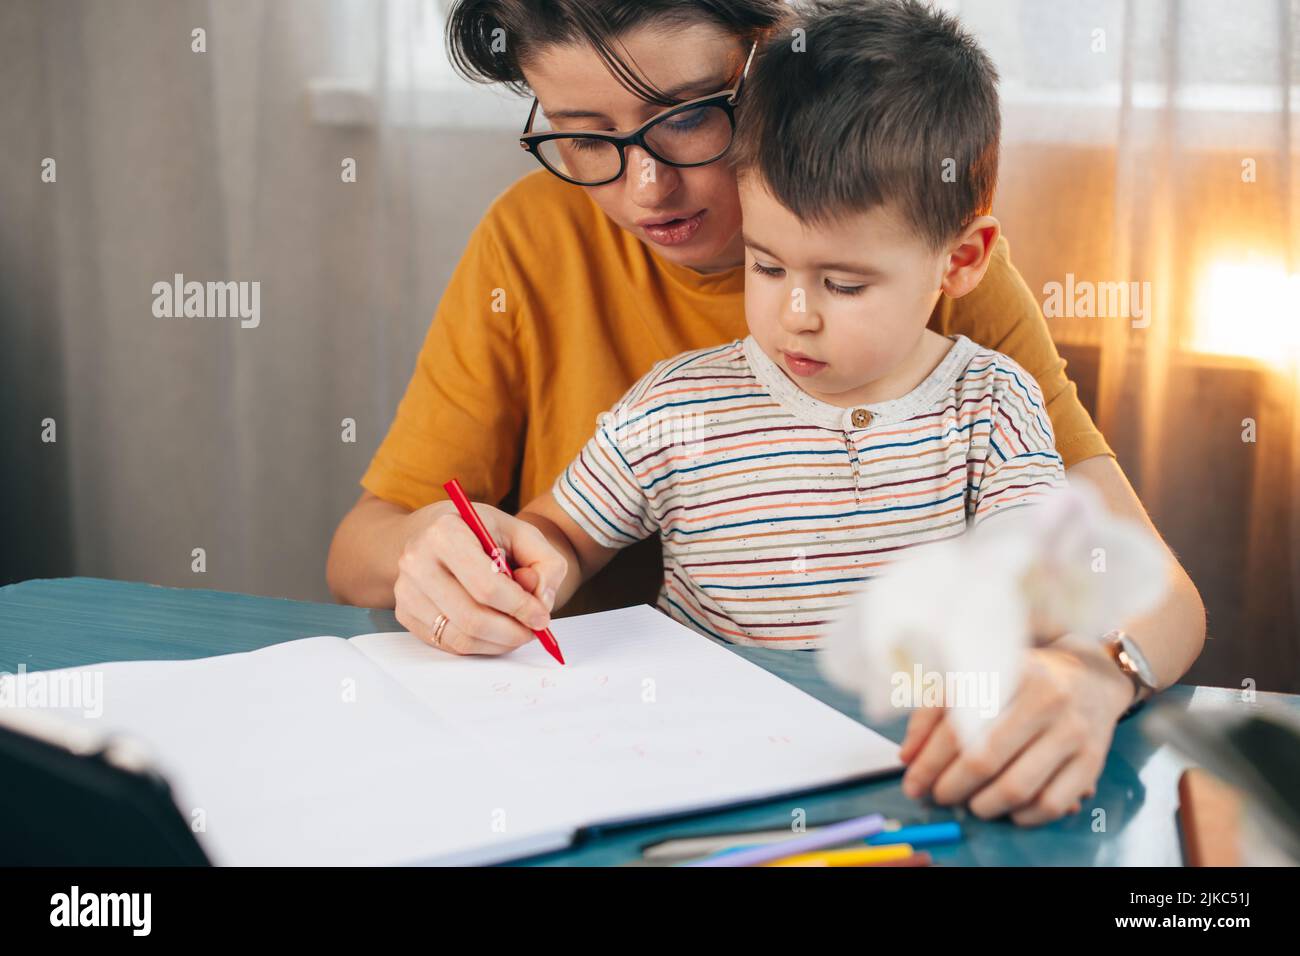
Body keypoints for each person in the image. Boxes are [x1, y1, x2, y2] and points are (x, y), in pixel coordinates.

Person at [327, 0, 1205, 825]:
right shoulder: (532, 241)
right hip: (624, 758)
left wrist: (1096, 670)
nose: (644, 191)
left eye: (683, 116)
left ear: (773, 52)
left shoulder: (914, 242)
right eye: (585, 136)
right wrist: (432, 552)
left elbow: (1145, 585)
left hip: (896, 759)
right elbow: (358, 548)